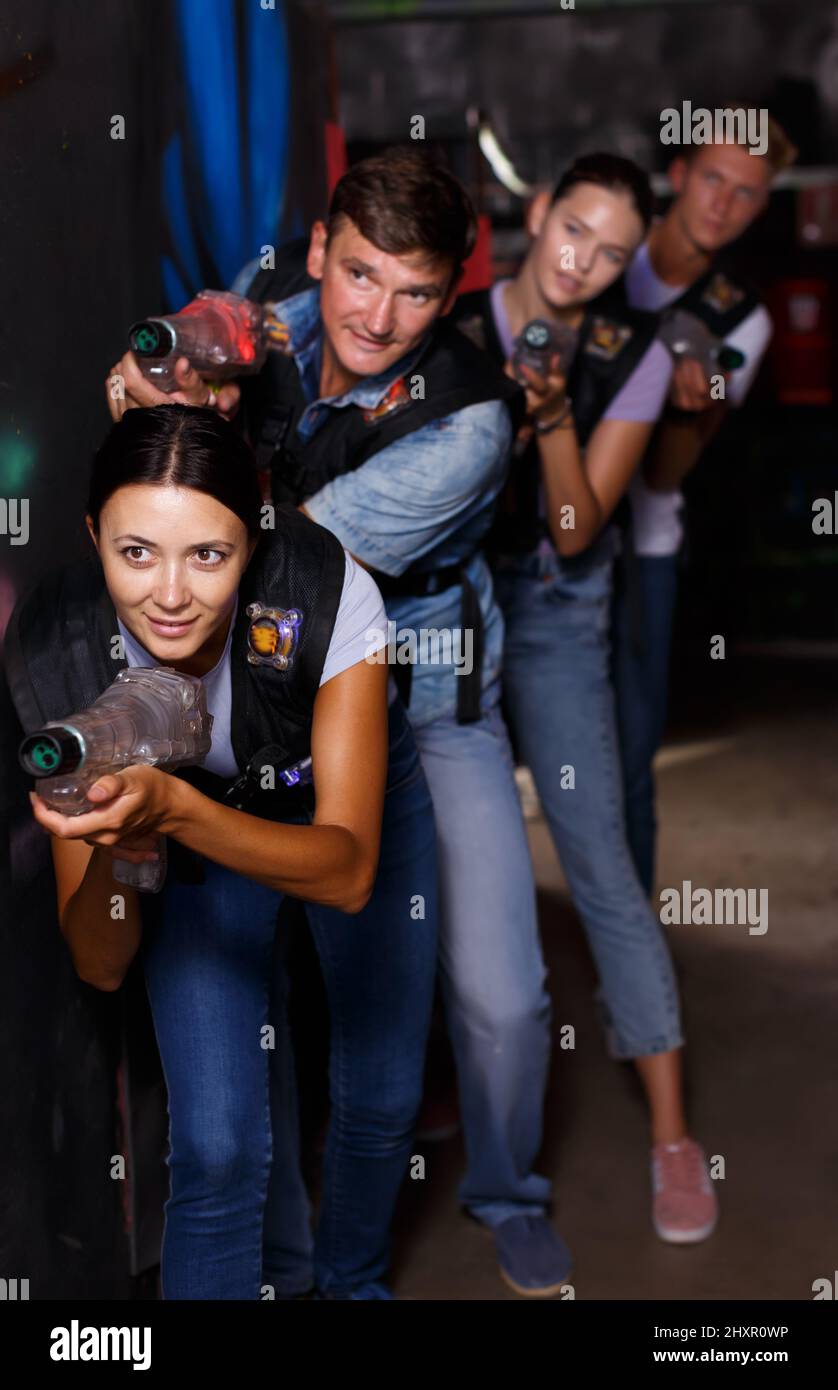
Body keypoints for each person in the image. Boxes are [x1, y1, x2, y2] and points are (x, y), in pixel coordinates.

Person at [108, 147, 572, 1297]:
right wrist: (148, 377)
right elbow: (191, 367)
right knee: (249, 1053)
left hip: (412, 703)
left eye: (416, 291)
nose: (378, 314)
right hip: (254, 721)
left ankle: (461, 1219)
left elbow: (270, 560)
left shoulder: (465, 424)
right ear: (321, 252)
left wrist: (177, 447)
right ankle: (289, 1271)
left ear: (452, 294)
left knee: (474, 1014)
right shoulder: (273, 314)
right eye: (360, 275)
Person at [7, 404, 439, 1300]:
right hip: (193, 812)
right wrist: (128, 844)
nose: (170, 594)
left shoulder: (326, 589)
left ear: (254, 539)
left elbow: (349, 871)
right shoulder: (62, 650)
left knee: (382, 1083)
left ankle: (351, 1282)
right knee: (217, 1143)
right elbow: (97, 959)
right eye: (136, 553)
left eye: (208, 554)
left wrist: (170, 811)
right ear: (94, 537)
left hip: (336, 802)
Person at [451, 153, 717, 1243]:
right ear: (537, 210)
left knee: (601, 866)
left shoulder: (636, 352)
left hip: (558, 611)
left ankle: (670, 1134)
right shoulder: (448, 325)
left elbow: (577, 527)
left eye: (612, 254)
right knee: (436, 871)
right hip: (451, 609)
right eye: (574, 233)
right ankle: (443, 1090)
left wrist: (552, 413)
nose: (584, 264)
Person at [612, 113, 797, 894]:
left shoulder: (740, 319)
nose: (724, 203)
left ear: (760, 208)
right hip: (531, 544)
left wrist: (691, 409)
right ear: (680, 173)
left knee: (630, 760)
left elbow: (662, 478)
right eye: (714, 178)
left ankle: (629, 952)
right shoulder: (602, 252)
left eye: (747, 193)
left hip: (642, 551)